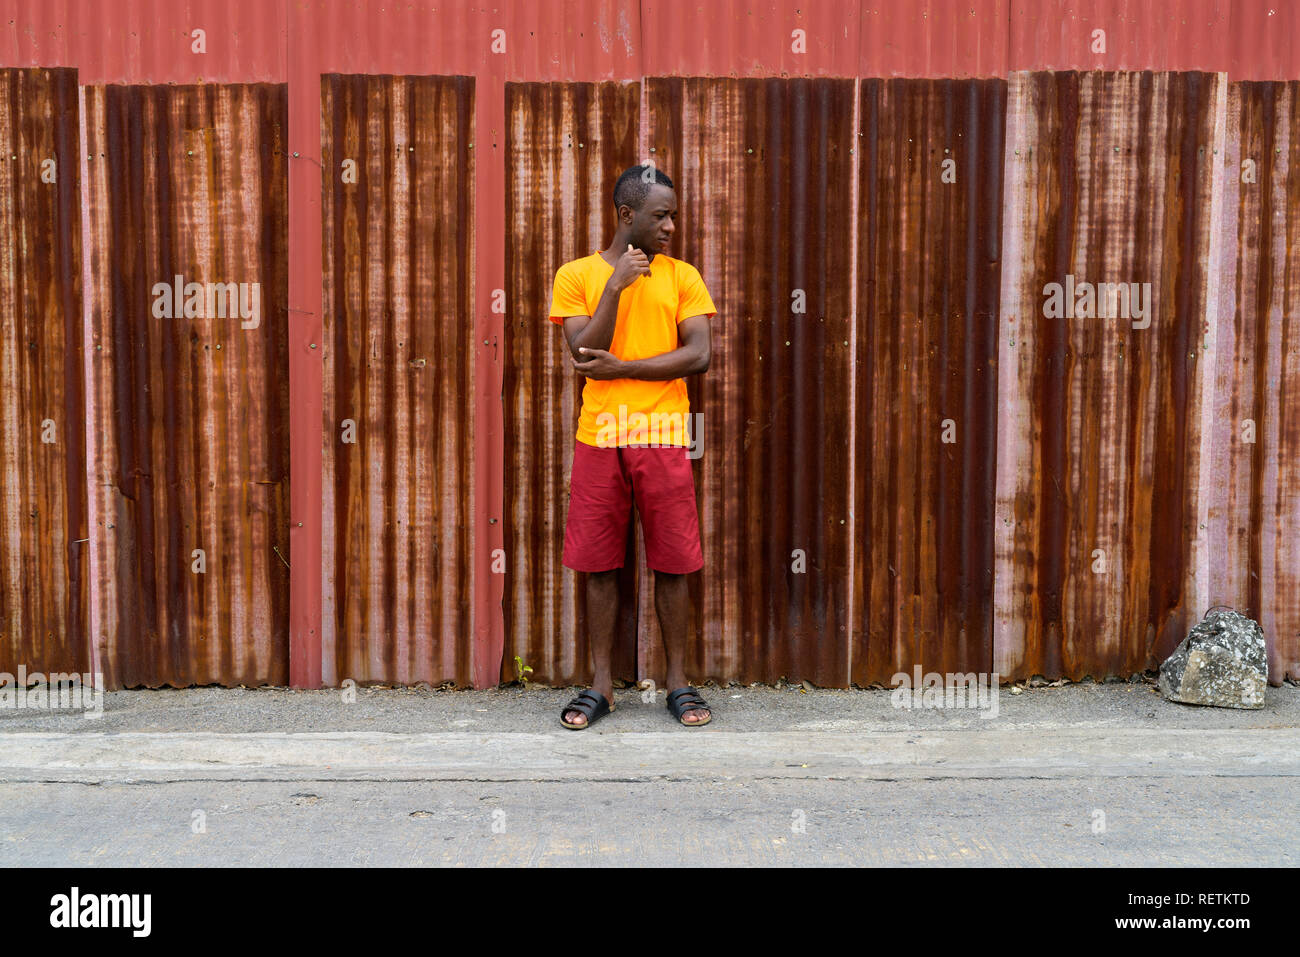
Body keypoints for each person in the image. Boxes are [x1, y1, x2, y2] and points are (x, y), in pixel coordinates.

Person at [547, 164, 717, 730]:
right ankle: (600, 685)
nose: (670, 226)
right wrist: (616, 286)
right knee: (599, 564)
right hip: (600, 437)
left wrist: (626, 369)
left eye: (672, 215)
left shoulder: (682, 276)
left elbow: (698, 355)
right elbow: (583, 356)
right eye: (660, 215)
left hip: (665, 437)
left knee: (672, 562)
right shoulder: (576, 275)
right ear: (627, 215)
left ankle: (678, 683)